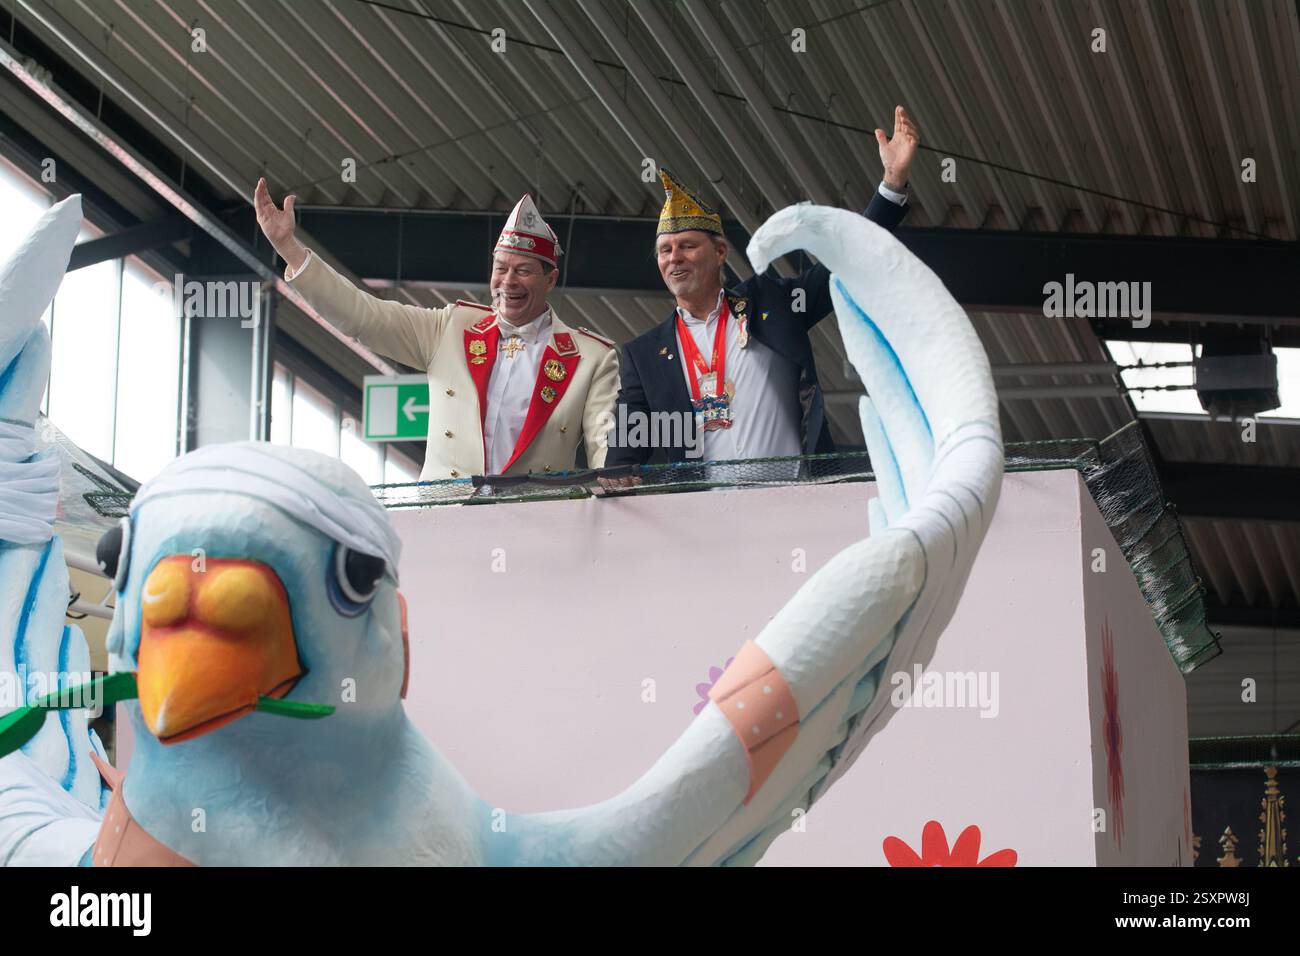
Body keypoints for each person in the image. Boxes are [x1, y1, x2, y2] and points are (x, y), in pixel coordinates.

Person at [601, 106, 920, 488]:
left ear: (720, 253)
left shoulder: (772, 303)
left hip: (795, 504)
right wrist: (614, 478)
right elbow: (624, 455)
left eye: (687, 245)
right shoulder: (644, 354)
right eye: (665, 250)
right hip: (702, 519)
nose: (675, 258)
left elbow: (847, 262)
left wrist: (892, 184)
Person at [254, 181, 619, 481]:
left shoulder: (591, 357)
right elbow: (363, 317)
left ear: (550, 279)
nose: (507, 282)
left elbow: (608, 451)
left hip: (541, 533)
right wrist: (289, 249)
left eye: (523, 270)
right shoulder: (450, 327)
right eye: (501, 268)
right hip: (445, 522)